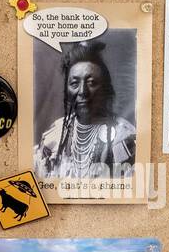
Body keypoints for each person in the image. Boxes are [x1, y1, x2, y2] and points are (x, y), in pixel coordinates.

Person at [34, 39, 136, 182]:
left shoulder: (124, 136)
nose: (82, 91)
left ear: (105, 89)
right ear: (67, 90)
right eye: (74, 83)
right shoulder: (55, 136)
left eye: (91, 83)